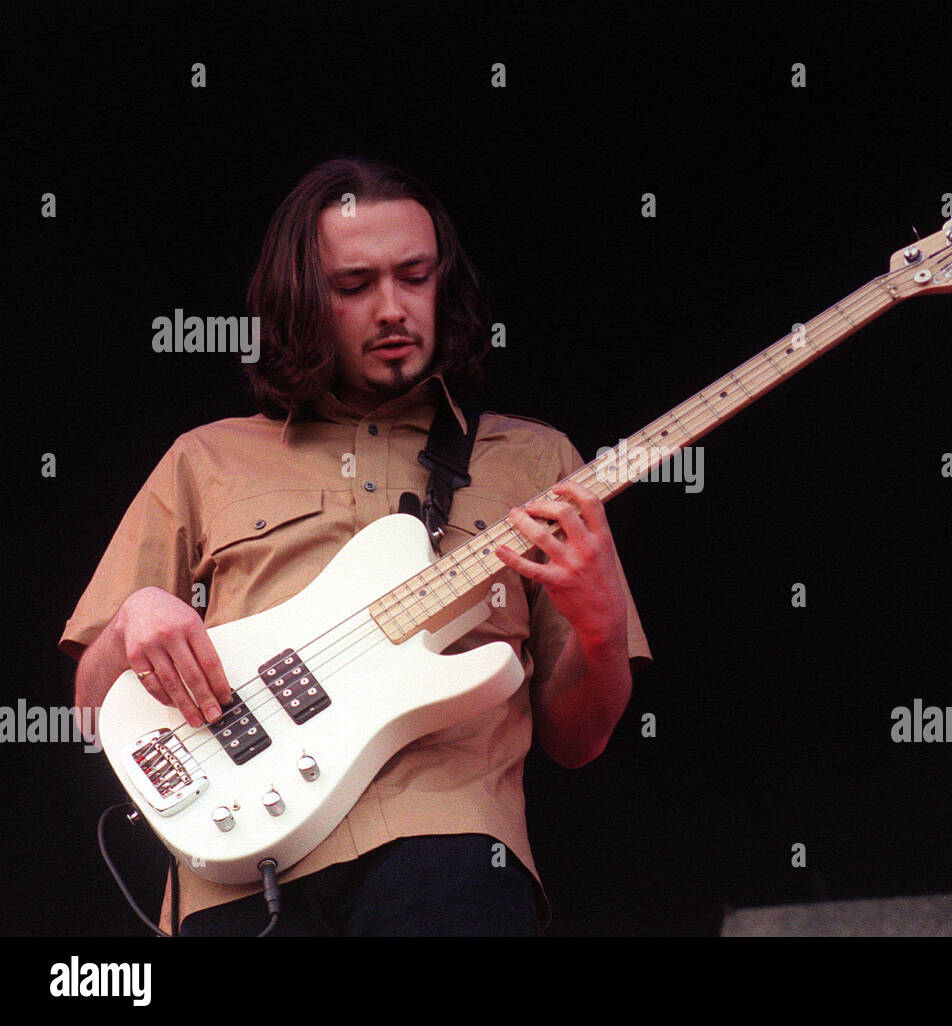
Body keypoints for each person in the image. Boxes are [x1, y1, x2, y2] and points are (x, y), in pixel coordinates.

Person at [61, 156, 652, 936]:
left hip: (445, 849)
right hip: (238, 866)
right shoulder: (204, 458)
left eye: (415, 276)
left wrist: (601, 625)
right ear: (301, 300)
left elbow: (578, 742)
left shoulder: (537, 464)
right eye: (354, 286)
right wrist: (137, 611)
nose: (393, 308)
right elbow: (92, 712)